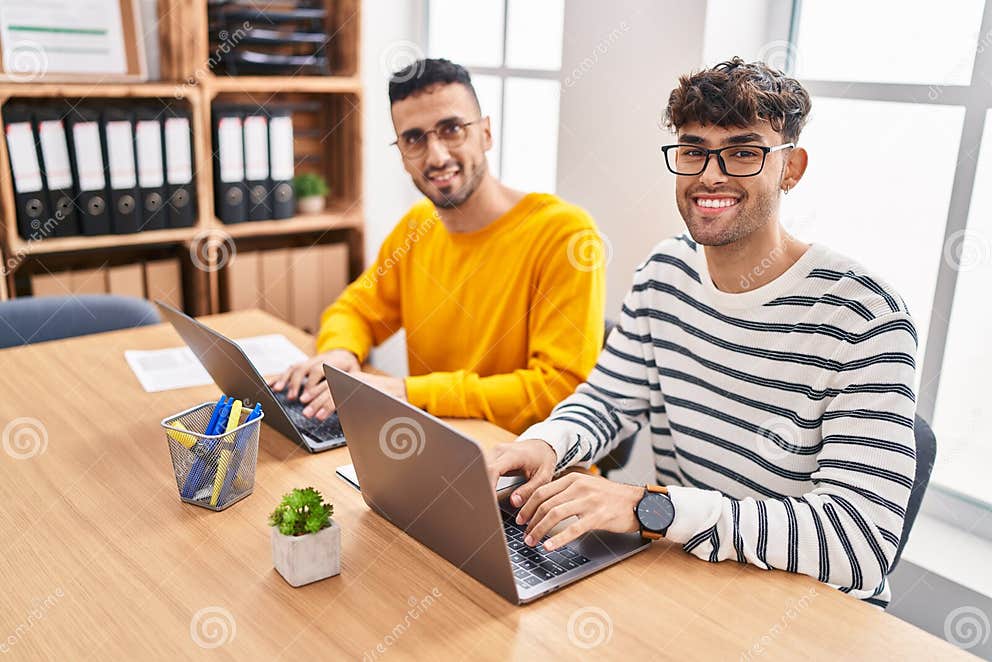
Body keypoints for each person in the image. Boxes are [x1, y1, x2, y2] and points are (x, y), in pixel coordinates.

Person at [486, 58, 917, 608]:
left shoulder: (863, 315)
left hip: (809, 616)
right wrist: (547, 442)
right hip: (694, 584)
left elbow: (859, 543)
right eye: (694, 151)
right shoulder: (665, 272)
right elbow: (608, 401)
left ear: (791, 168)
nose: (710, 175)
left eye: (743, 152)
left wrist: (651, 508)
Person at [270, 58, 605, 434]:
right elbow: (355, 310)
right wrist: (338, 351)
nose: (437, 156)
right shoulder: (417, 226)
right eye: (414, 138)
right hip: (435, 440)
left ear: (487, 133)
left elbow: (558, 389)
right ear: (401, 153)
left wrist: (408, 392)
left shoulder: (565, 234)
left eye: (451, 129)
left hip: (534, 469)